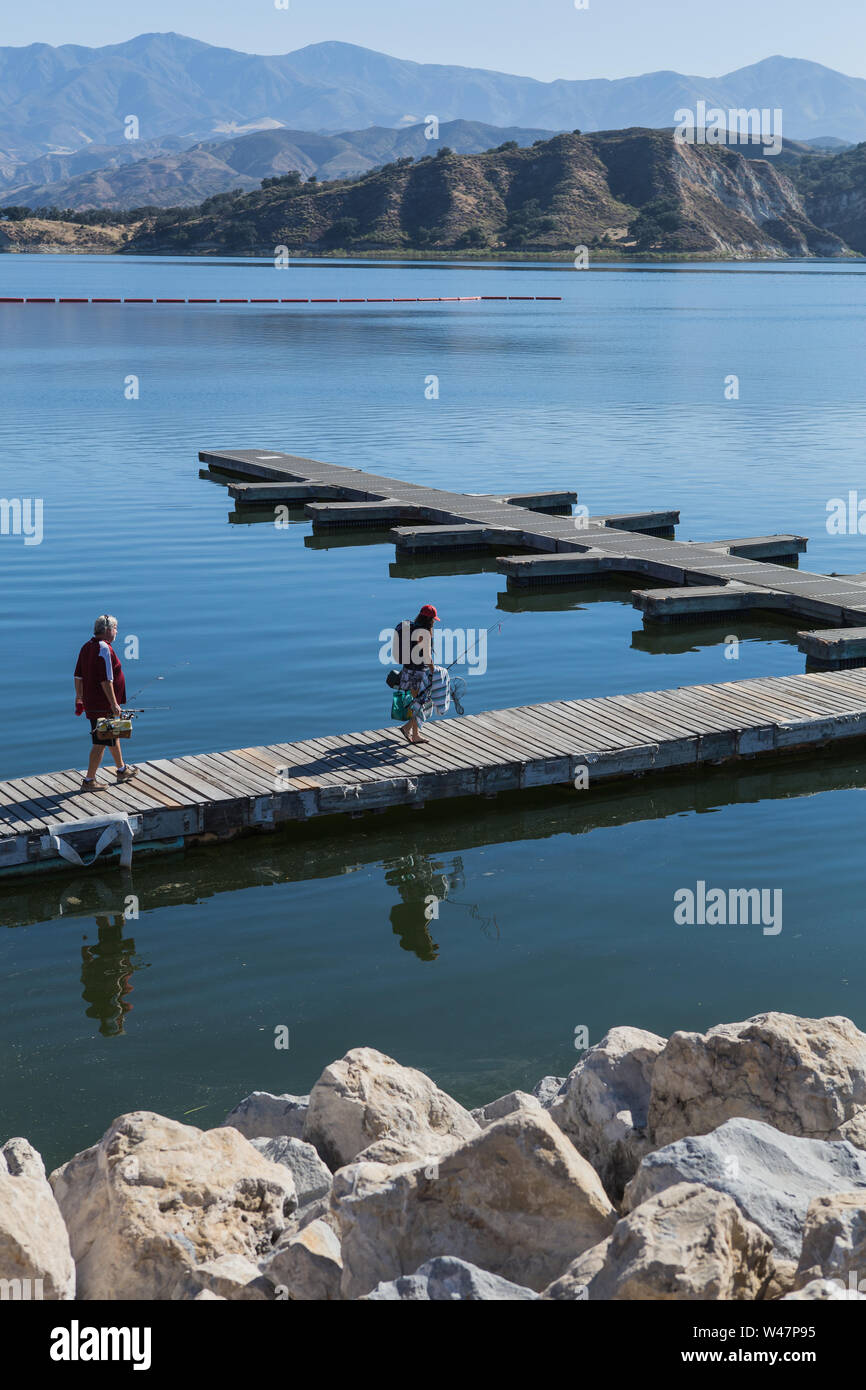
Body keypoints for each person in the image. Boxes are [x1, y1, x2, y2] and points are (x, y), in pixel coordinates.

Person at [74, 614, 138, 791]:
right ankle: (89, 781)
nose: (117, 632)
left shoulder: (87, 646)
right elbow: (106, 680)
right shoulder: (104, 649)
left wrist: (79, 698)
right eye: (116, 628)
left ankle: (121, 769)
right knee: (100, 741)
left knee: (112, 733)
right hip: (103, 703)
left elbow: (78, 675)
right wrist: (114, 704)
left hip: (93, 701)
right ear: (108, 630)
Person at [395, 604, 439, 745]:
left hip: (408, 670)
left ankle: (415, 733)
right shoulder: (423, 633)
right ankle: (408, 729)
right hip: (418, 673)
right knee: (421, 703)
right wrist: (435, 672)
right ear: (429, 620)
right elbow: (426, 657)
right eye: (433, 620)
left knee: (417, 703)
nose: (434, 622)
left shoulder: (411, 627)